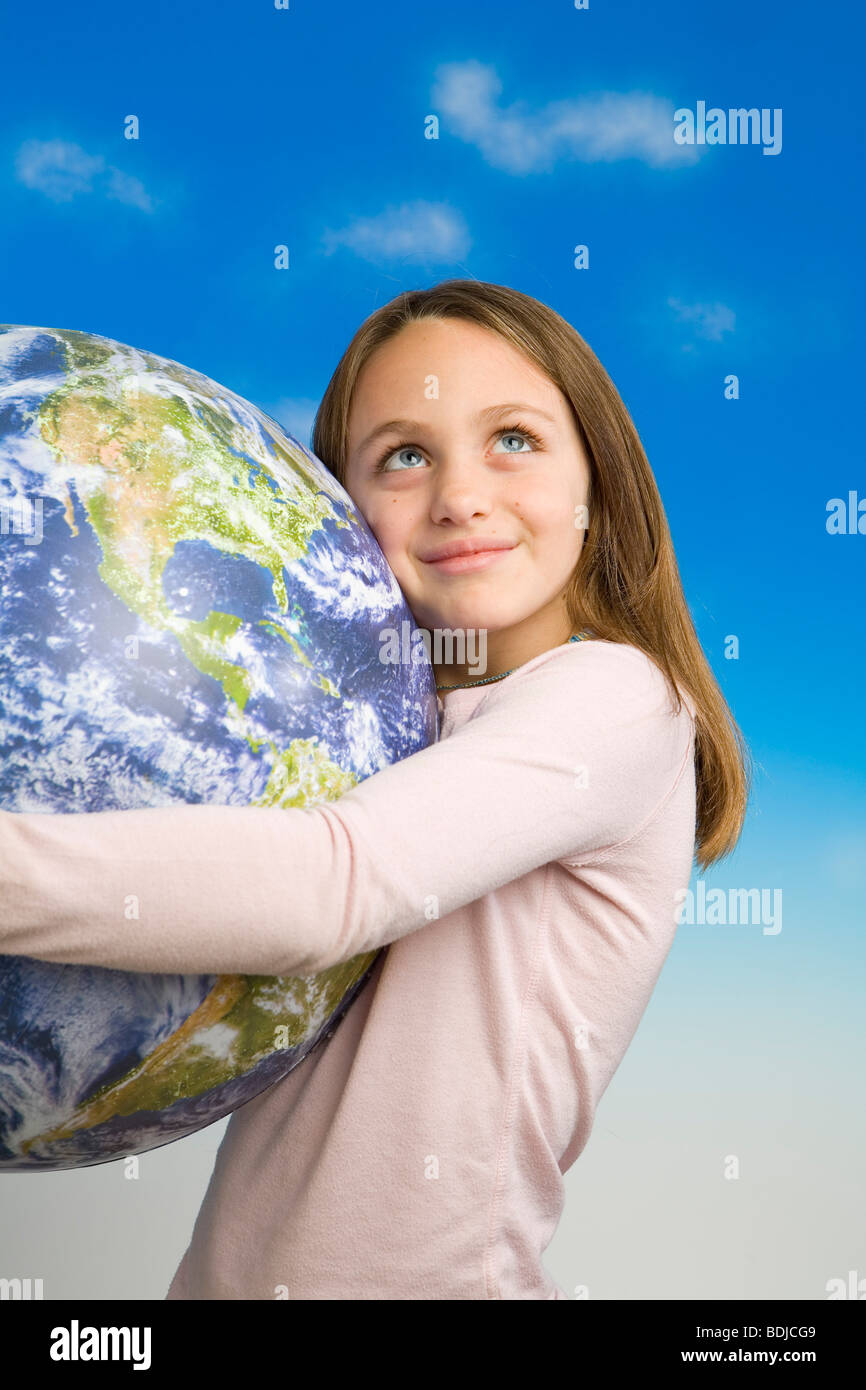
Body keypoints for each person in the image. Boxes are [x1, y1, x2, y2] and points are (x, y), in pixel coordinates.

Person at [0, 279, 751, 1300]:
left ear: (597, 481)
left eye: (514, 440)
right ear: (336, 521)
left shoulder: (616, 703)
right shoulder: (381, 742)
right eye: (404, 455)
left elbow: (329, 887)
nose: (458, 495)